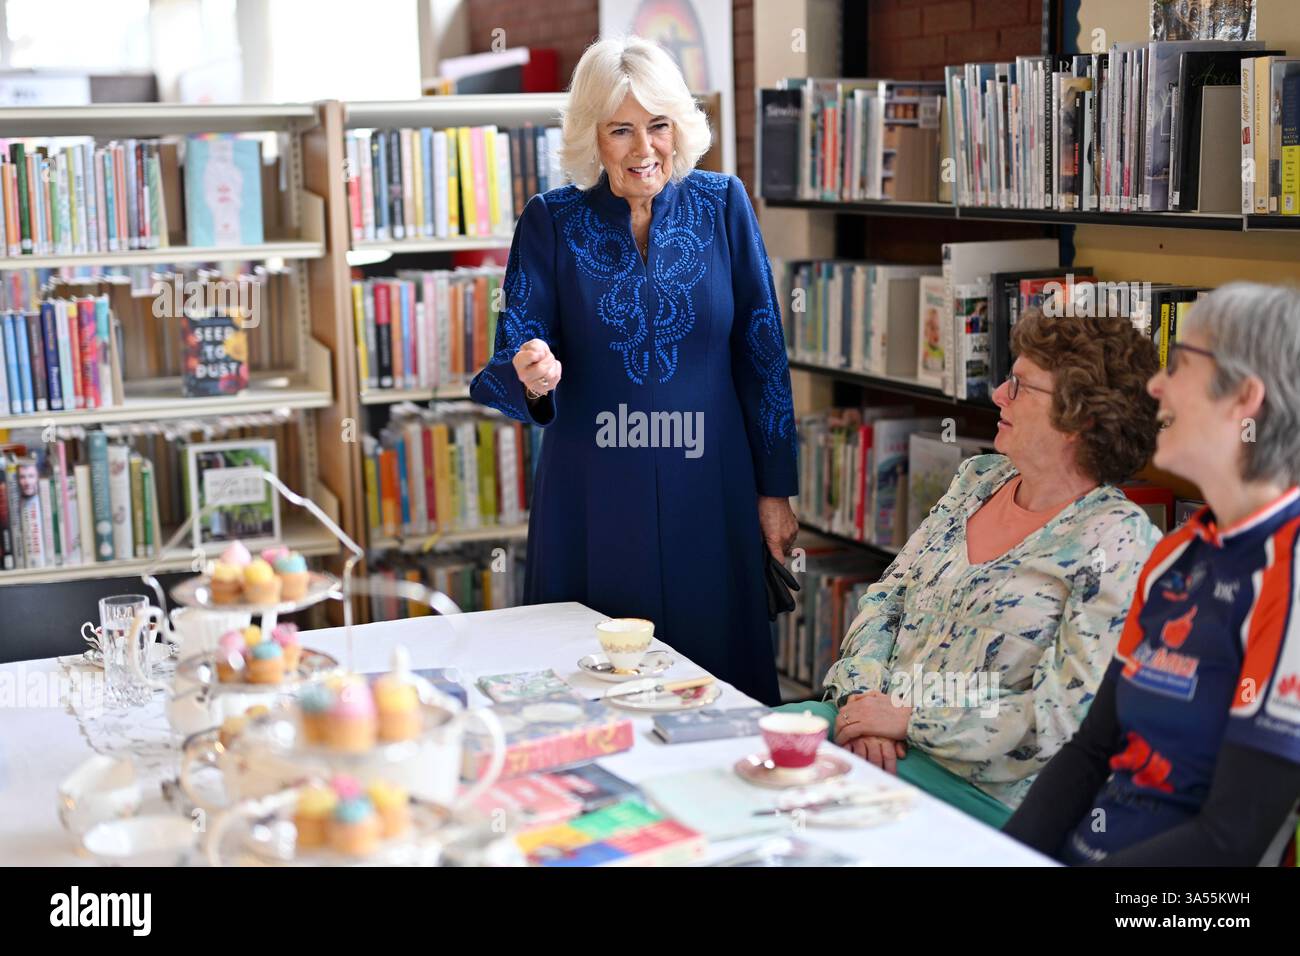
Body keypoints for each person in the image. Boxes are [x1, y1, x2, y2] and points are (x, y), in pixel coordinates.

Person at [468, 36, 798, 703]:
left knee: (715, 682)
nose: (644, 148)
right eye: (621, 129)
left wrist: (775, 490)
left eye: (658, 126)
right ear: (594, 137)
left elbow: (762, 352)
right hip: (593, 490)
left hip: (714, 482)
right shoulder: (550, 220)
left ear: (680, 127)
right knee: (590, 680)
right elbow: (519, 336)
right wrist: (531, 369)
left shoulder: (723, 205)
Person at [781, 309, 1164, 827]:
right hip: (875, 740)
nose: (997, 396)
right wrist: (864, 704)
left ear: (1082, 419)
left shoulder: (1119, 539)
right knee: (731, 750)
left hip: (985, 796)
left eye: (1020, 386)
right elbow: (886, 599)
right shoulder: (978, 479)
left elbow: (1060, 722)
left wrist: (907, 721)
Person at [1004, 283, 1300, 865]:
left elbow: (1231, 839)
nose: (1156, 385)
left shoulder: (1287, 572)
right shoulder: (1175, 554)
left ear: (1245, 397)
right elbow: (1090, 752)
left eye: (1182, 363)